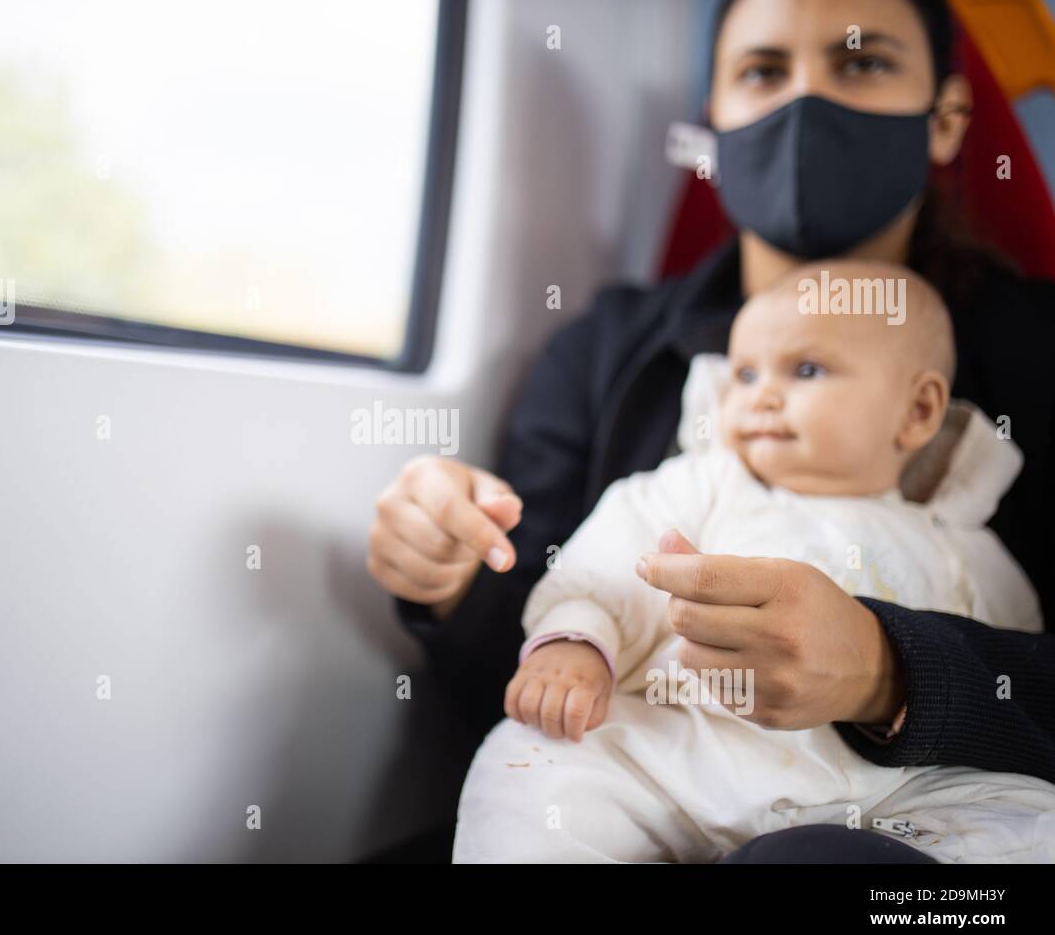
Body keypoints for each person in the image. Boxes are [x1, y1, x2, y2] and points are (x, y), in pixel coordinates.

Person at [365, 0, 1055, 858]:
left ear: (947, 119)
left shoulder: (1035, 356)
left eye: (860, 62)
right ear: (716, 121)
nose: (805, 105)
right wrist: (455, 575)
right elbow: (529, 685)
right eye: (763, 72)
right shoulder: (603, 354)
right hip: (647, 791)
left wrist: (889, 670)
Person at [452, 261, 1054, 863]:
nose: (761, 394)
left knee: (1031, 818)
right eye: (743, 373)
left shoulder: (959, 541)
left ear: (918, 411)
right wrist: (576, 644)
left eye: (807, 370)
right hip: (679, 756)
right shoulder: (703, 484)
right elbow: (607, 564)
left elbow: (1009, 673)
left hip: (889, 799)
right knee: (529, 766)